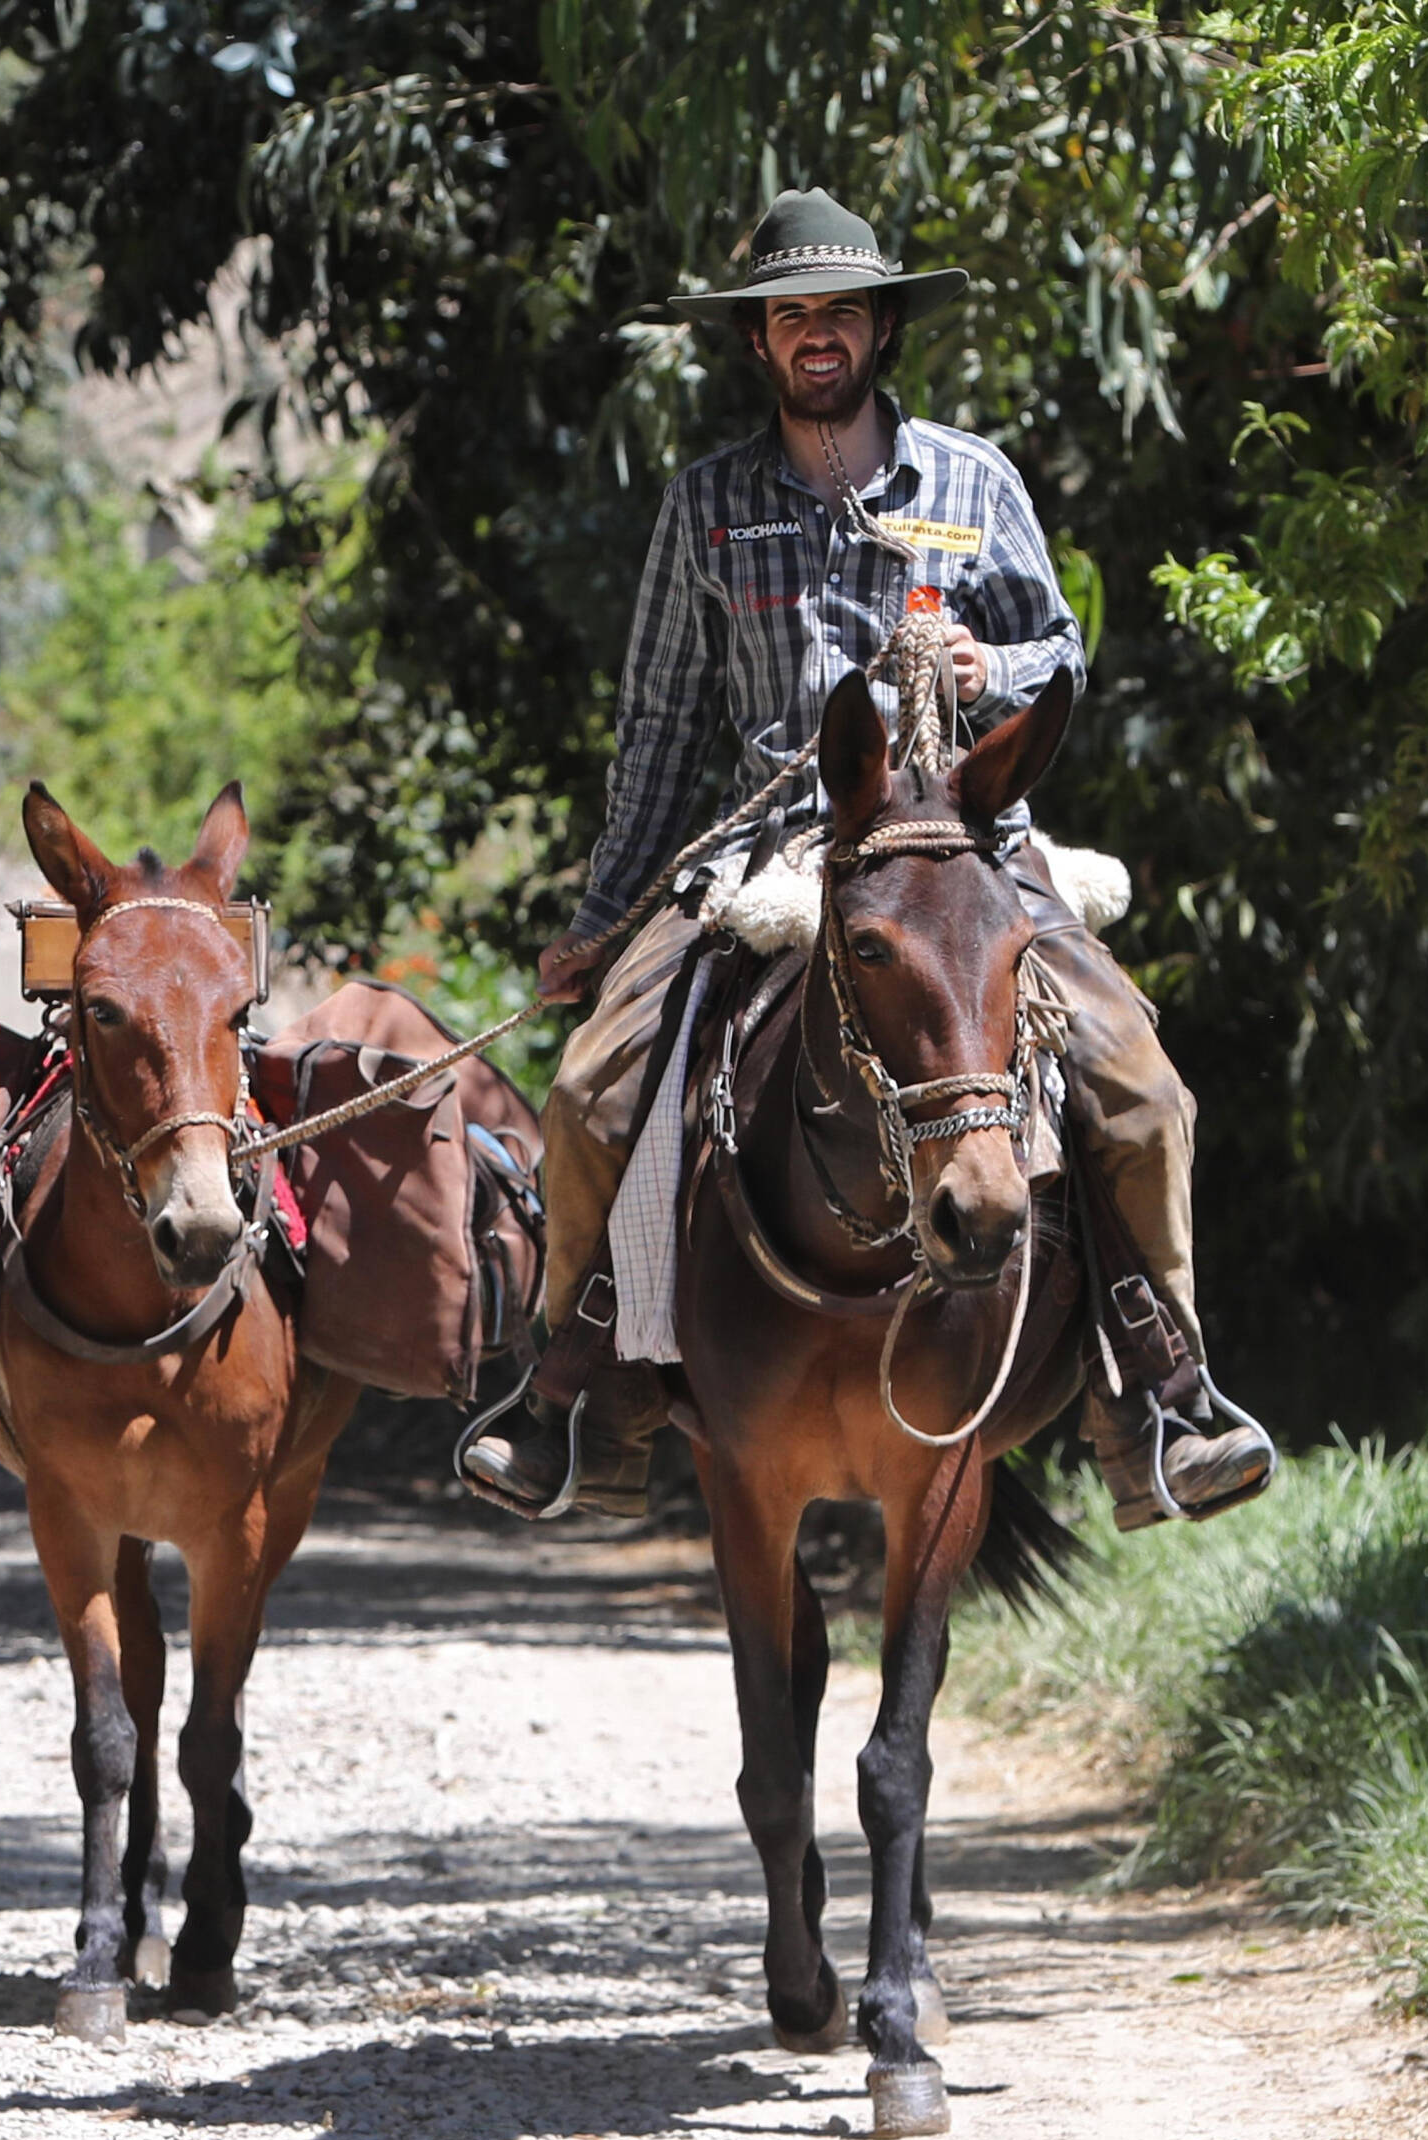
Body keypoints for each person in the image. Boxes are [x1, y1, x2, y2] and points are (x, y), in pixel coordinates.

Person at [459, 188, 1275, 1529]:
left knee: (1142, 1089)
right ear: (758, 341)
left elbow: (1060, 659)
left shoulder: (975, 478)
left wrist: (988, 663)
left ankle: (1161, 1401)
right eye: (790, 315)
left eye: (838, 309)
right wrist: (603, 921)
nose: (814, 333)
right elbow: (661, 728)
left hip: (965, 843)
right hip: (773, 847)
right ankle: (573, 1394)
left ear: (881, 325)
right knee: (595, 1093)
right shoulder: (708, 505)